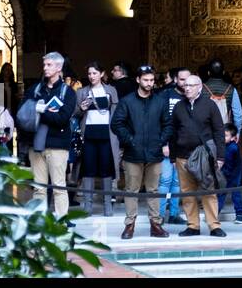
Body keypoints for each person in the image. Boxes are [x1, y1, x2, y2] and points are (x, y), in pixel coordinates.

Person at [111, 64, 172, 240]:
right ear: (138, 80)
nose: (149, 83)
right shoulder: (127, 101)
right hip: (132, 153)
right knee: (131, 190)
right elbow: (116, 124)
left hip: (154, 153)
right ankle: (130, 225)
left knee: (153, 190)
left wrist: (160, 141)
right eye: (146, 80)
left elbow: (168, 124)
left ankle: (156, 224)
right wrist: (129, 140)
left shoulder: (160, 101)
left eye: (152, 80)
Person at [170, 74, 226, 237]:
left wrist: (220, 157)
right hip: (182, 156)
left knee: (209, 190)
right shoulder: (179, 106)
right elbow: (173, 133)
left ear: (200, 87)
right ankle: (193, 225)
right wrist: (173, 157)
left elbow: (219, 131)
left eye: (191, 85)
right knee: (187, 192)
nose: (187, 88)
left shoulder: (210, 105)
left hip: (205, 156)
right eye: (185, 85)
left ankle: (214, 225)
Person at [27, 52, 77, 219]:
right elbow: (24, 111)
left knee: (59, 187)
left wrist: (41, 111)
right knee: (38, 188)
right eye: (44, 65)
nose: (45, 68)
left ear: (59, 68)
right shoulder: (35, 89)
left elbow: (62, 119)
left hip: (57, 145)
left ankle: (62, 221)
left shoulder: (68, 92)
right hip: (36, 144)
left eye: (49, 65)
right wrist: (49, 112)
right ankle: (39, 222)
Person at [75, 63, 121, 216]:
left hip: (107, 135)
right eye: (89, 73)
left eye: (94, 73)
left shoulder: (110, 91)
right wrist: (81, 109)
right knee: (88, 169)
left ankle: (108, 204)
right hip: (88, 135)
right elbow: (75, 114)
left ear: (102, 74)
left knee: (106, 169)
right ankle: (87, 205)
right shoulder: (82, 92)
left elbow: (116, 114)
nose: (91, 76)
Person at [157, 67, 189, 225]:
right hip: (168, 145)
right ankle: (160, 214)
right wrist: (163, 143)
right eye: (182, 79)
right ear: (176, 80)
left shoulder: (192, 96)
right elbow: (159, 121)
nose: (185, 83)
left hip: (184, 146)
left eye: (188, 79)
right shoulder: (165, 95)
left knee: (178, 182)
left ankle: (174, 214)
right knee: (165, 180)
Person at [204, 59, 242, 131]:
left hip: (206, 130)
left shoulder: (201, 88)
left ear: (208, 73)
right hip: (225, 131)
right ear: (224, 72)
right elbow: (238, 114)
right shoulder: (231, 89)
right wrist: (237, 131)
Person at [217, 124, 242, 224]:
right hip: (225, 173)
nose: (223, 137)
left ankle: (239, 214)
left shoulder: (233, 148)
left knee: (235, 193)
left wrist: (227, 177)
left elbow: (230, 165)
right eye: (222, 135)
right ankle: (215, 214)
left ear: (233, 138)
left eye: (226, 135)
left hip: (235, 174)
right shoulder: (222, 146)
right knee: (221, 194)